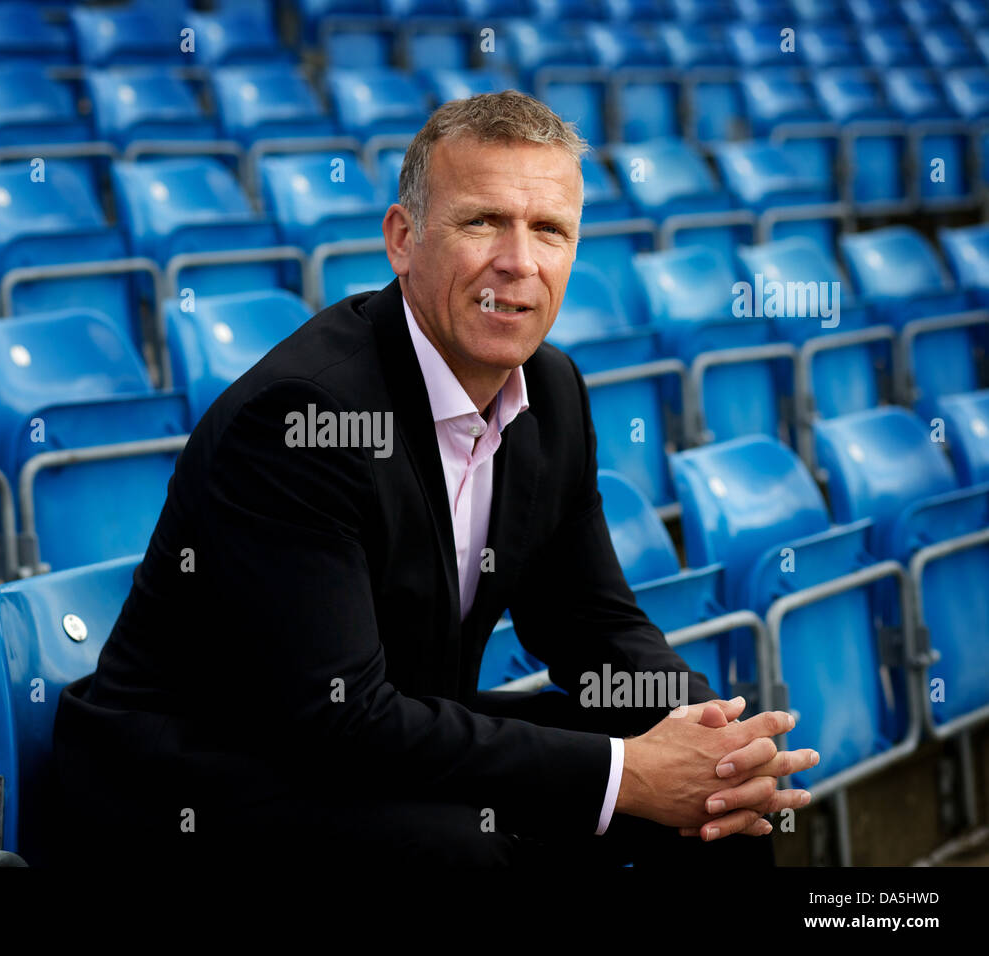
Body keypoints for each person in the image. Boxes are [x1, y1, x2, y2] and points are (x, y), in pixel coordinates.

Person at [53, 90, 819, 869]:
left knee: (720, 809)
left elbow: (592, 626)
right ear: (403, 238)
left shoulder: (551, 392)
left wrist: (711, 740)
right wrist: (627, 774)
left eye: (548, 229)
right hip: (200, 780)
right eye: (482, 221)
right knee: (466, 849)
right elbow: (336, 721)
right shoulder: (302, 417)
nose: (518, 261)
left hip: (376, 740)